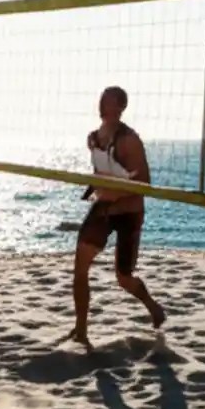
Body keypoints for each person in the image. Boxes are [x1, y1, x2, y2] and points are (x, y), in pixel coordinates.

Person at [70, 86, 166, 349]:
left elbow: (145, 182)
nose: (103, 105)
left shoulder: (129, 139)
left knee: (123, 278)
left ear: (120, 108)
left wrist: (115, 191)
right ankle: (80, 330)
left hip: (129, 212)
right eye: (101, 100)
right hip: (104, 208)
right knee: (80, 267)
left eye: (109, 102)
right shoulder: (93, 138)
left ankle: (153, 308)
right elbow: (102, 171)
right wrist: (97, 187)